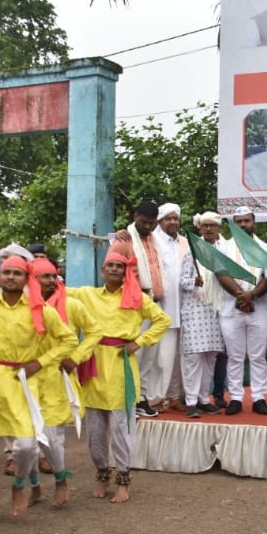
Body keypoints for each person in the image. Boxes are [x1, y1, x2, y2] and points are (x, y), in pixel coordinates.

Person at [0, 256, 77, 523]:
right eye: (6, 272)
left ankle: (20, 484)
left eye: (17, 273)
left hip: (21, 383)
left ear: (25, 278)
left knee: (27, 447)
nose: (10, 277)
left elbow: (67, 341)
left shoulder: (41, 309)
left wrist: (39, 363)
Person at [69, 250, 171, 501]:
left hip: (120, 365)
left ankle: (123, 480)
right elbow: (58, 294)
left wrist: (140, 341)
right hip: (92, 367)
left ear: (126, 272)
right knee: (94, 430)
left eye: (119, 266)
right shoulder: (87, 294)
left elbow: (162, 320)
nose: (114, 269)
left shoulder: (137, 298)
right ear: (102, 271)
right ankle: (102, 474)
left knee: (121, 428)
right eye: (110, 266)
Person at [33, 257, 101, 508]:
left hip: (57, 377)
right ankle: (34, 486)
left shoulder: (71, 305)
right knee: (26, 440)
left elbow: (95, 332)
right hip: (25, 377)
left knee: (52, 436)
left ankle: (61, 480)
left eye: (54, 276)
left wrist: (76, 357)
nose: (52, 281)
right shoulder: (23, 308)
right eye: (45, 276)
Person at [216, 206, 267, 415]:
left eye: (246, 221)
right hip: (231, 308)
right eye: (239, 221)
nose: (243, 225)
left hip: (258, 308)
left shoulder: (265, 248)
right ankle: (235, 398)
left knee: (258, 356)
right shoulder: (224, 247)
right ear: (233, 223)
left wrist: (252, 296)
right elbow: (221, 273)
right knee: (235, 356)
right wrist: (241, 296)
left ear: (254, 222)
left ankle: (259, 397)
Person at [120, 200, 165, 418]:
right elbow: (114, 272)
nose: (148, 226)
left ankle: (142, 397)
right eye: (144, 222)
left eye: (151, 223)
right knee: (135, 356)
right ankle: (130, 399)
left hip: (153, 304)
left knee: (149, 356)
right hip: (133, 306)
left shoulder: (154, 240)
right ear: (135, 216)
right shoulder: (124, 241)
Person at [180, 212, 227, 418]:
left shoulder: (224, 251)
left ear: (219, 228)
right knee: (193, 357)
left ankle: (203, 398)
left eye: (213, 226)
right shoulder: (192, 252)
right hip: (195, 309)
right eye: (205, 226)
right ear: (199, 229)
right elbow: (182, 281)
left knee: (210, 357)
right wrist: (193, 282)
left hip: (216, 310)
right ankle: (190, 401)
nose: (209, 229)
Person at [153, 203, 189, 410]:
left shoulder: (183, 242)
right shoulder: (152, 241)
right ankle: (155, 397)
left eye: (176, 218)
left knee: (177, 357)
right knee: (160, 357)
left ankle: (174, 395)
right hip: (161, 309)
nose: (173, 222)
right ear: (160, 221)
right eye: (169, 218)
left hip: (183, 309)